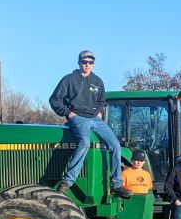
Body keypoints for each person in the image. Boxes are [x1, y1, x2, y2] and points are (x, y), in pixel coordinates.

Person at [48, 49, 131, 198]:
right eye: (84, 62)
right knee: (85, 142)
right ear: (79, 62)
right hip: (78, 117)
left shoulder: (97, 81)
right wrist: (69, 113)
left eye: (90, 62)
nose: (87, 65)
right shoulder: (69, 79)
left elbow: (101, 100)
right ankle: (67, 182)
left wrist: (99, 112)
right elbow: (54, 100)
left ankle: (116, 184)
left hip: (95, 119)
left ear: (93, 64)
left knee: (116, 145)